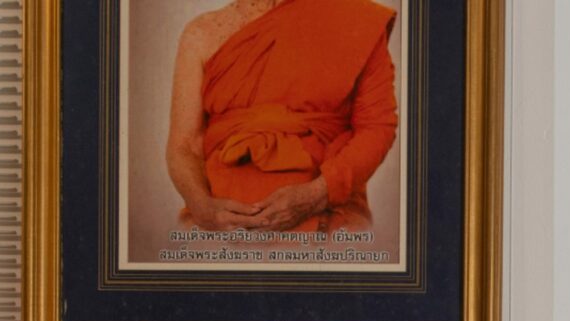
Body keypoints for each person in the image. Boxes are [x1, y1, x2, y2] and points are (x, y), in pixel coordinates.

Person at [165, 0, 399, 236]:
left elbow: (377, 128)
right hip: (217, 227)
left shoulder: (353, 18)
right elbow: (185, 145)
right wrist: (201, 206)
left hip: (327, 222)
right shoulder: (202, 33)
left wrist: (318, 195)